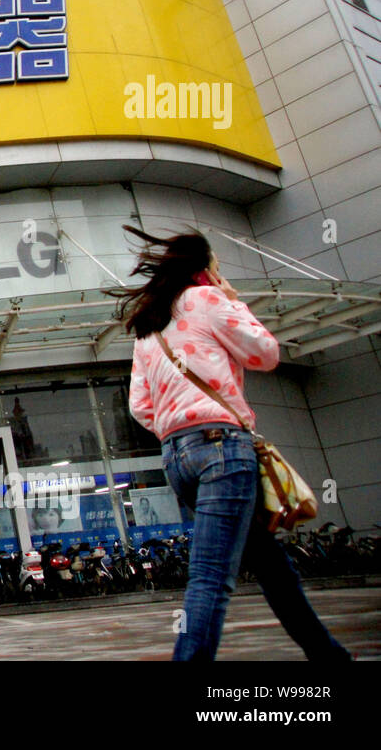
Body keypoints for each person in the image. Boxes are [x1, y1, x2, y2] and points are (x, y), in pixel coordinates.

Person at [111, 225, 350, 661]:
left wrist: (177, 428)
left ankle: (329, 656)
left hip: (178, 458)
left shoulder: (148, 329)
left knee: (274, 568)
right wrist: (235, 301)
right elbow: (265, 354)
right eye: (216, 265)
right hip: (222, 449)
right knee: (211, 577)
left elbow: (139, 407)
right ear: (204, 270)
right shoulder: (207, 300)